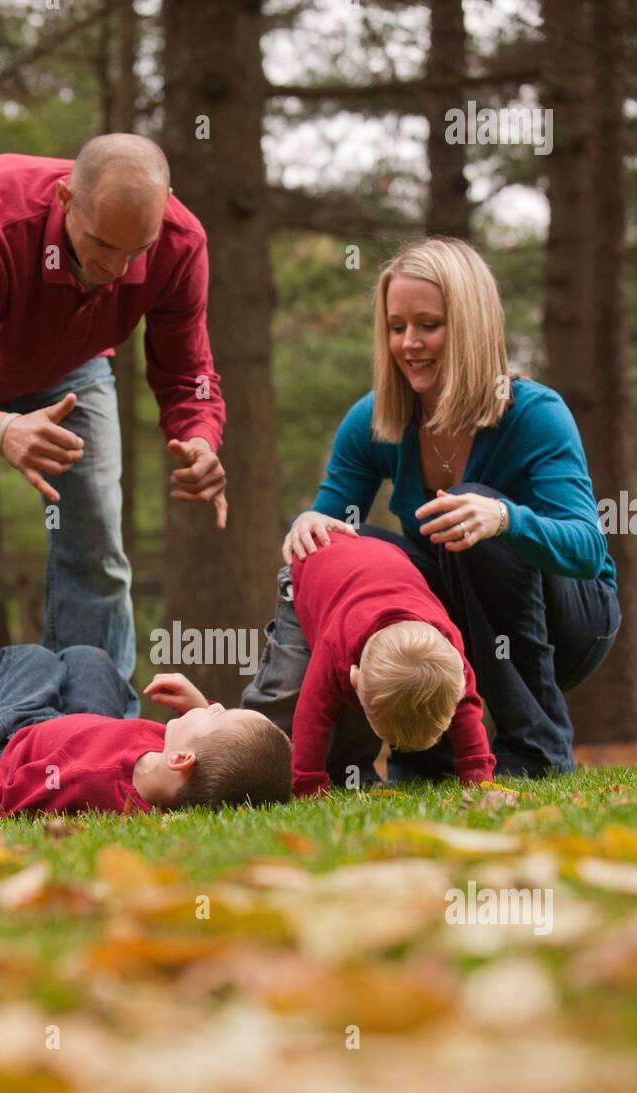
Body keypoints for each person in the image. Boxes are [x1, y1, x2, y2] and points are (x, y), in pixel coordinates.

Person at [0, 134, 227, 809]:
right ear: (66, 202)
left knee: (98, 546)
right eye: (101, 248)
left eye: (135, 251)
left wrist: (199, 437)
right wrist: (0, 430)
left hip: (70, 363)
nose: (119, 271)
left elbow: (188, 371)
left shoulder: (180, 244)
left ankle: (90, 739)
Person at [249, 237, 619, 781]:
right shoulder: (377, 418)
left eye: (428, 325)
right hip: (458, 613)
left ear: (469, 327)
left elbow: (589, 550)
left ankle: (536, 750)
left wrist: (505, 520)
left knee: (477, 511)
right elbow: (330, 529)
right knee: (358, 545)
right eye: (397, 327)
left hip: (570, 623)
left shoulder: (536, 415)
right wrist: (308, 523)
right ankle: (419, 751)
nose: (409, 344)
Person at [0, 647, 291, 819]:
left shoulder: (84, 780)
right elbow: (218, 751)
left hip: (23, 737)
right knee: (90, 658)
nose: (215, 705)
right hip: (86, 729)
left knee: (33, 660)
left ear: (181, 759)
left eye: (219, 713)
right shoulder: (172, 771)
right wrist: (195, 706)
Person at [288, 533, 494, 794]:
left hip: (384, 559)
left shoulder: (450, 655)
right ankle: (246, 747)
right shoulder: (334, 646)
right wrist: (308, 786)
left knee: (351, 719)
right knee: (285, 687)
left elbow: (467, 709)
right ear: (354, 676)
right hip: (311, 564)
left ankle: (348, 772)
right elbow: (312, 715)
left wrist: (478, 776)